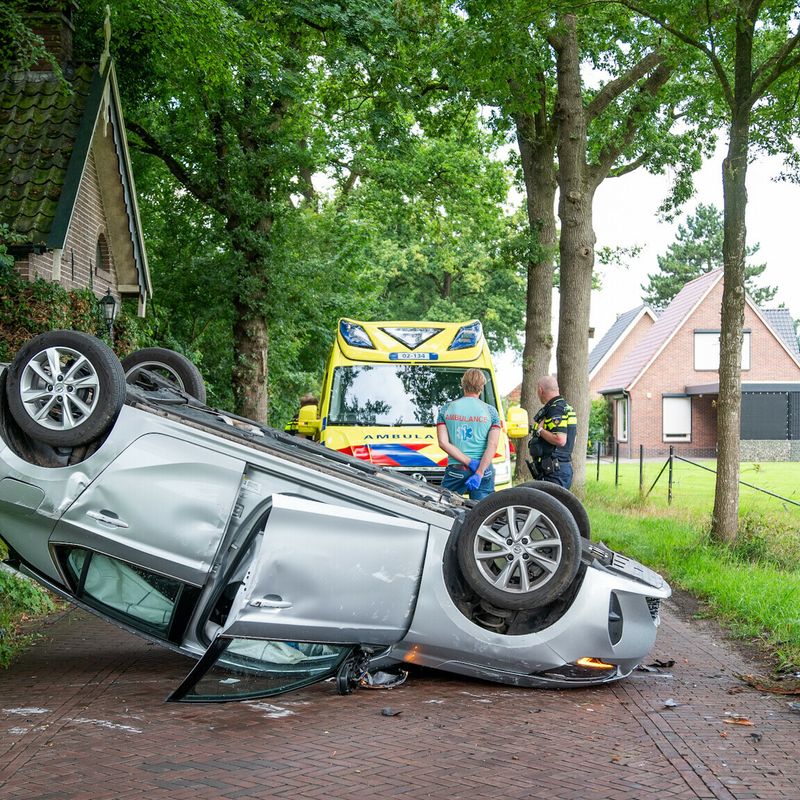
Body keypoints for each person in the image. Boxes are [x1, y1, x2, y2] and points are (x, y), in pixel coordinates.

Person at [436, 368, 500, 500]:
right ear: (481, 387)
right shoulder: (491, 411)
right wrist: (479, 472)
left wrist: (469, 462)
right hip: (484, 470)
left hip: (457, 470)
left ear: (462, 384)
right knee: (483, 513)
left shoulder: (446, 409)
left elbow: (443, 443)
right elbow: (492, 445)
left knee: (443, 508)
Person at [527, 375, 576, 489]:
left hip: (554, 472)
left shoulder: (555, 409)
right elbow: (573, 439)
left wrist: (539, 430)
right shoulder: (567, 407)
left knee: (546, 506)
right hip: (562, 467)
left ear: (540, 390)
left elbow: (560, 439)